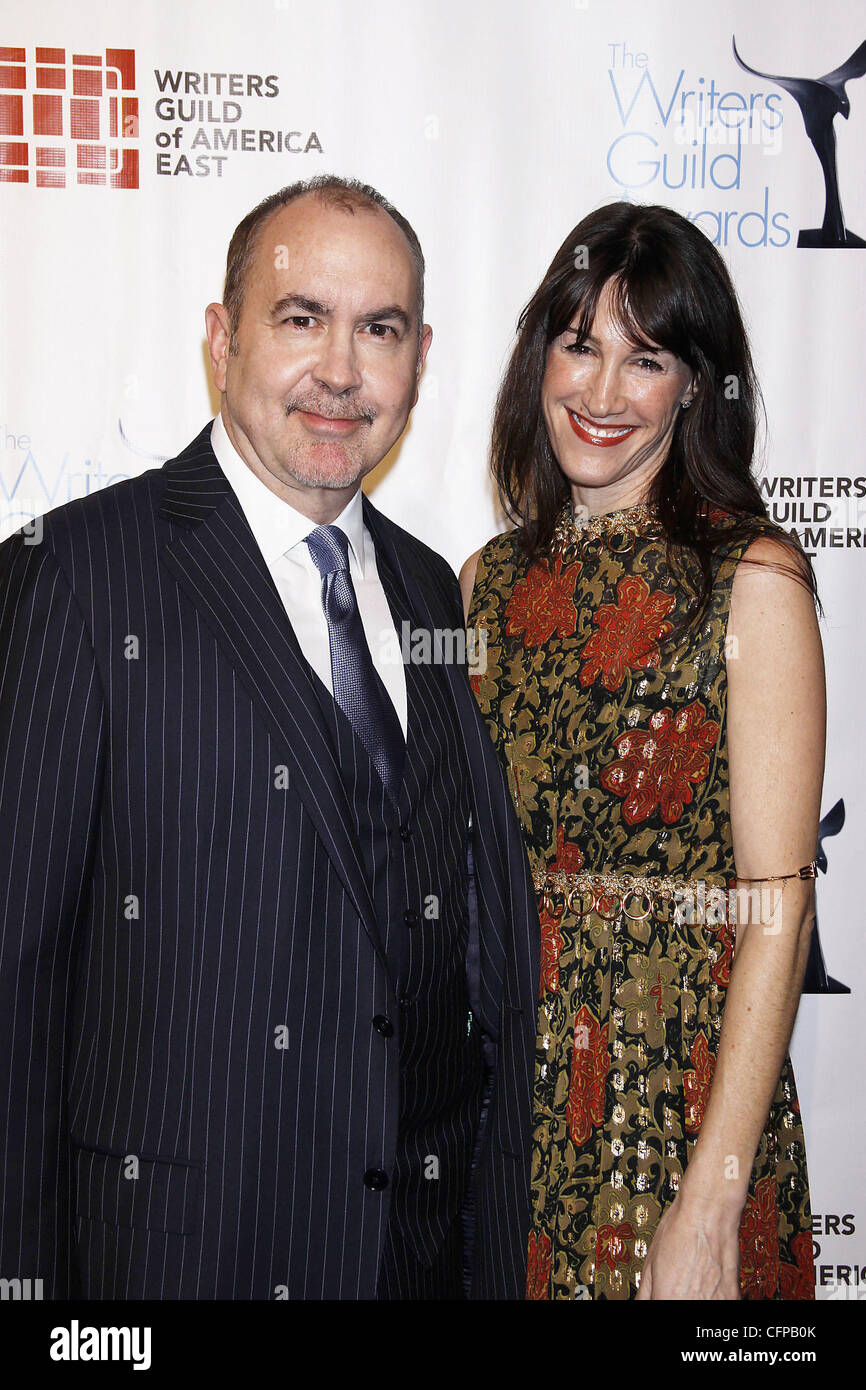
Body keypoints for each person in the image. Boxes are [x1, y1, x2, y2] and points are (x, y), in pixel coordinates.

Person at [0, 175, 539, 1301]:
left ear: (420, 357)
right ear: (220, 337)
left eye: (377, 329)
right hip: (177, 1266)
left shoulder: (435, 592)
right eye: (301, 319)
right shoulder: (76, 573)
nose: (340, 370)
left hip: (414, 1263)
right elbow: (18, 984)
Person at [460, 202, 825, 1301]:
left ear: (692, 384)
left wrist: (710, 1196)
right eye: (578, 345)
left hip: (676, 1103)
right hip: (504, 1102)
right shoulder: (482, 582)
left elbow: (775, 905)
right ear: (540, 356)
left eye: (645, 357)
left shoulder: (749, 580)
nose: (601, 391)